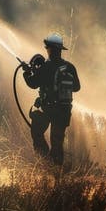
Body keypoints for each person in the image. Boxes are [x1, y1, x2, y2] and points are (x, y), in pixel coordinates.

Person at [22, 32, 81, 166]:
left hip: (46, 109)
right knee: (57, 143)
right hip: (64, 111)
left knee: (37, 133)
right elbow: (77, 87)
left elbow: (32, 83)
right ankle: (57, 173)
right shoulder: (70, 67)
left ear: (49, 49)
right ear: (60, 50)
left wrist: (27, 72)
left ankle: (45, 162)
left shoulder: (46, 67)